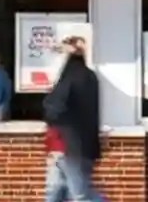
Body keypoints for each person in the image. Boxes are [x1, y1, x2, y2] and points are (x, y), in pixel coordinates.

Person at [43, 36, 103, 202]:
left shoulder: (69, 78)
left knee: (77, 195)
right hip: (82, 147)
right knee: (57, 192)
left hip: (66, 146)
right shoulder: (90, 77)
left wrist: (48, 107)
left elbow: (54, 107)